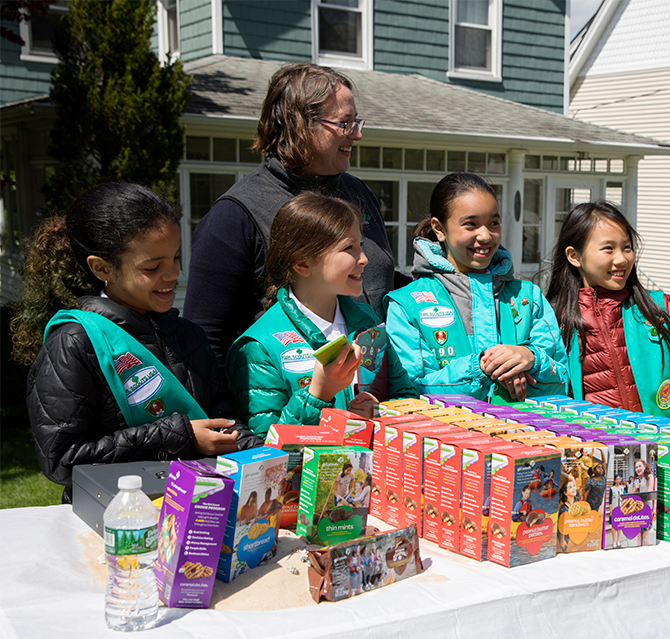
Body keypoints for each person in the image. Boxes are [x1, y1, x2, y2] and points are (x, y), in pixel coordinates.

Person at [16, 182, 261, 503]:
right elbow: (62, 459)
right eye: (152, 267)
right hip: (118, 516)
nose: (173, 274)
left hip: (199, 508)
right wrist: (179, 436)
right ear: (102, 268)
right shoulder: (74, 343)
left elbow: (223, 421)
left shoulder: (189, 334)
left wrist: (264, 455)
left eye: (176, 258)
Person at [185, 62, 409, 367]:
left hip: (376, 385)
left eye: (356, 122)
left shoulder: (358, 193)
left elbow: (381, 279)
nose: (356, 135)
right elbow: (207, 335)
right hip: (292, 392)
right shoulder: (235, 214)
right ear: (300, 125)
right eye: (344, 123)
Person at [226, 192, 415, 436]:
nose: (364, 259)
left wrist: (381, 413)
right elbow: (266, 448)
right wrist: (318, 395)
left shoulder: (368, 320)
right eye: (348, 248)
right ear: (302, 263)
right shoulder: (260, 346)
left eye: (361, 245)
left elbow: (406, 397)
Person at [545, 201, 670, 422]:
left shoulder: (656, 308)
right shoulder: (553, 320)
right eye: (608, 249)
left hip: (666, 440)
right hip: (596, 442)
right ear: (574, 256)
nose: (621, 259)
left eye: (627, 247)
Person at [384, 172, 568, 401]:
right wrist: (480, 367)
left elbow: (561, 381)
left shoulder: (528, 298)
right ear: (439, 228)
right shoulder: (408, 305)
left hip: (523, 425)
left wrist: (532, 359)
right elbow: (412, 389)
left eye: (494, 223)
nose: (485, 235)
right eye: (470, 224)